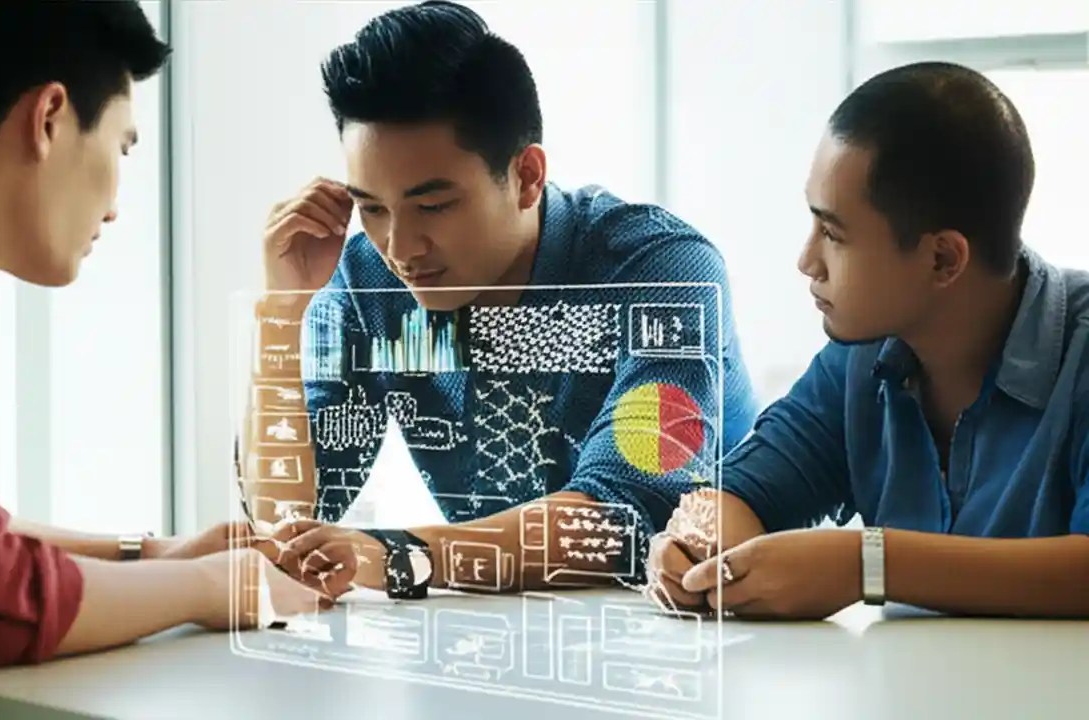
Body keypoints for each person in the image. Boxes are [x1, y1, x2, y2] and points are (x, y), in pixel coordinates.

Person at [0, 1, 338, 696]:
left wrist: (153, 555)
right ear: (50, 117)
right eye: (122, 148)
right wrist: (210, 586)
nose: (117, 206)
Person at [247, 1, 759, 599]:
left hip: (707, 630)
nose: (399, 247)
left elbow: (622, 516)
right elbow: (292, 512)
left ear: (528, 176)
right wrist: (281, 316)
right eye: (373, 207)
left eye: (433, 206)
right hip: (501, 630)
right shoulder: (366, 278)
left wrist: (402, 554)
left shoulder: (662, 270)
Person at [649, 61, 1089, 620]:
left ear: (943, 258)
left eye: (833, 233)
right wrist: (695, 541)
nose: (807, 260)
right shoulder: (860, 359)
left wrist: (869, 566)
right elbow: (743, 490)